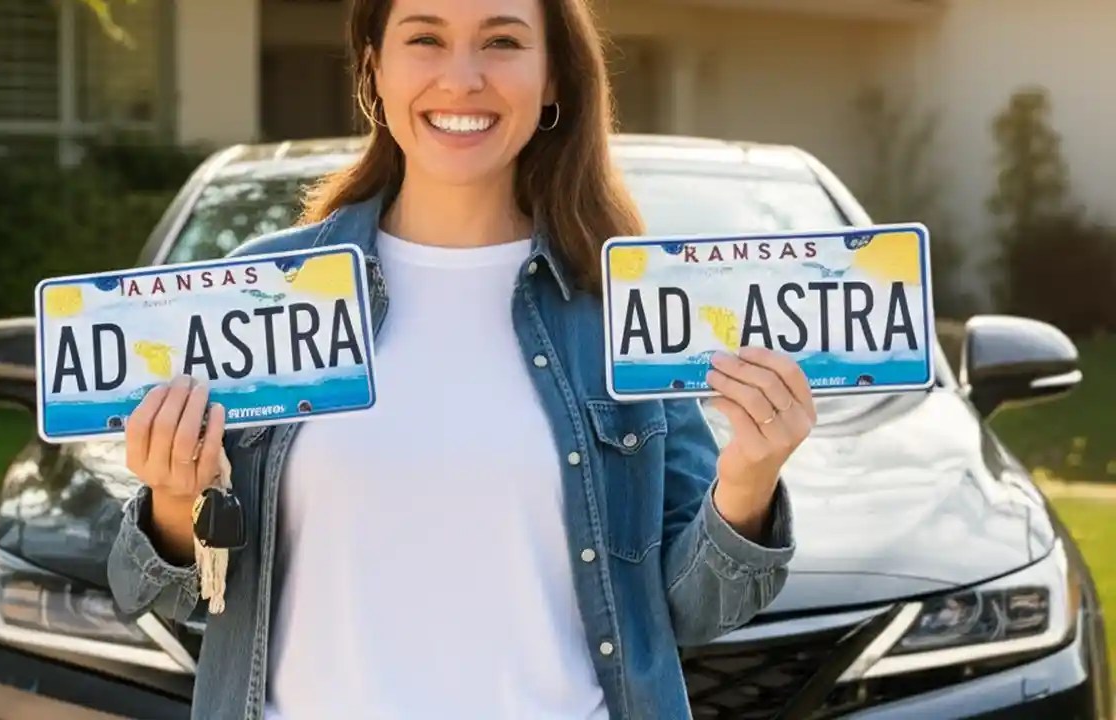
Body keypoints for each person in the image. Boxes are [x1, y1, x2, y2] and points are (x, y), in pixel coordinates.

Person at [107, 0, 815, 718]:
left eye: (502, 42)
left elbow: (699, 610)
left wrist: (749, 481)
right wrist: (174, 501)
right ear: (374, 70)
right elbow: (161, 595)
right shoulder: (266, 291)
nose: (462, 77)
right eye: (426, 38)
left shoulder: (617, 303)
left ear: (553, 78)